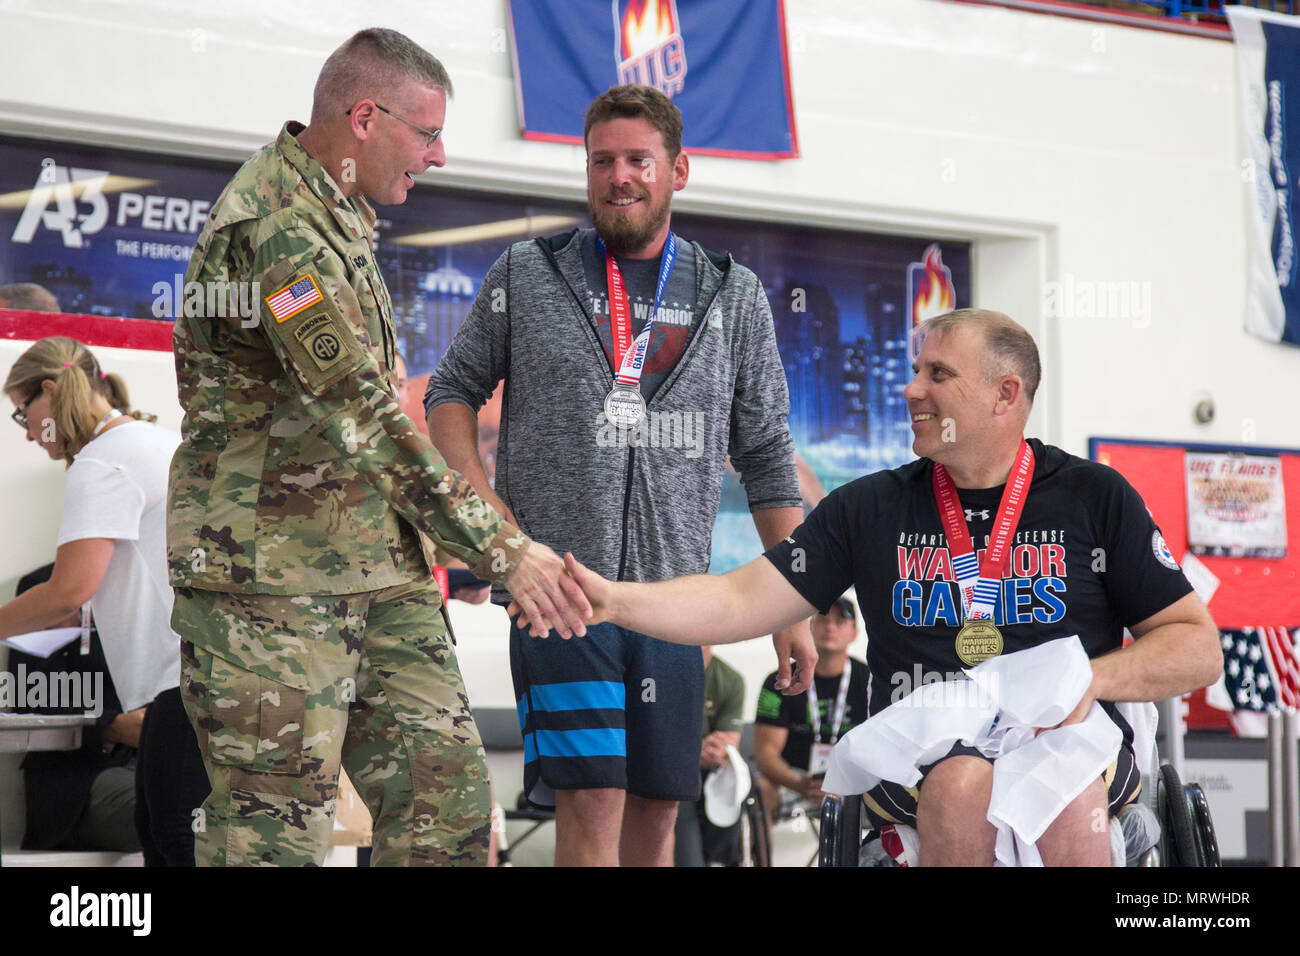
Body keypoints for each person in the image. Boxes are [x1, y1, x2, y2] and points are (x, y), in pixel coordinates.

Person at [560, 308, 1223, 866]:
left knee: (1067, 794)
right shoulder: (871, 507)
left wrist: (1085, 682)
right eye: (914, 370)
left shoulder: (1092, 496)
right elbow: (738, 599)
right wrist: (613, 600)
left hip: (1067, 736)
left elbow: (1196, 647)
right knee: (961, 786)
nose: (911, 390)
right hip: (924, 743)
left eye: (938, 374)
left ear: (1005, 394)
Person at [168, 27, 588, 867]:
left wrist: (447, 548)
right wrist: (502, 549)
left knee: (448, 811)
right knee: (271, 839)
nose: (439, 155)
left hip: (378, 574)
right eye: (427, 133)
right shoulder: (278, 228)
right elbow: (360, 414)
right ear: (365, 118)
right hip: (273, 587)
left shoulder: (342, 214)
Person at [425, 84, 815, 867]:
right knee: (594, 800)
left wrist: (794, 604)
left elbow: (768, 456)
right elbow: (450, 393)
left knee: (659, 813)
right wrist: (494, 524)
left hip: (676, 605)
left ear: (678, 170)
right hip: (560, 593)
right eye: (602, 161)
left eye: (639, 159)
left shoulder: (731, 294)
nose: (619, 176)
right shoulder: (529, 272)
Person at [2, 337, 208, 865]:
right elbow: (78, 606)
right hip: (203, 678)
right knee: (173, 835)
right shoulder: (156, 442)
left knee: (175, 844)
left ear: (50, 391)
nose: (27, 433)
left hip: (176, 688)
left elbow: (69, 592)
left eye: (23, 414)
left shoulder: (101, 461)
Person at [9, 565, 140, 854]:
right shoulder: (45, 587)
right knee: (185, 809)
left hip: (158, 762)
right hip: (80, 777)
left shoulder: (162, 588)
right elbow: (31, 699)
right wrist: (112, 727)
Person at [753, 596, 868, 831]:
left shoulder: (870, 681)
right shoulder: (780, 680)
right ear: (808, 628)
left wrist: (851, 783)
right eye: (823, 619)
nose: (830, 628)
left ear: (854, 634)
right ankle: (762, 853)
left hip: (855, 784)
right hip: (796, 780)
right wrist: (800, 784)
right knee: (762, 791)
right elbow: (765, 755)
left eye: (840, 622)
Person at [673, 645, 746, 867]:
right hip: (672, 769)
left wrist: (713, 750)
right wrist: (692, 752)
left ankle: (720, 859)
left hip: (710, 769)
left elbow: (727, 743)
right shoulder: (659, 672)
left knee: (741, 782)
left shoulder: (730, 679)